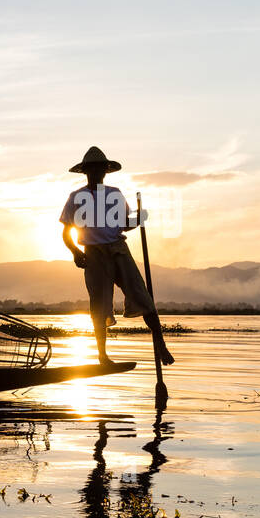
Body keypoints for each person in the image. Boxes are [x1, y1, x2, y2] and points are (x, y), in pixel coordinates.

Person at [60, 146, 174, 367]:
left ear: (105, 171)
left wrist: (139, 219)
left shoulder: (114, 194)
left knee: (142, 295)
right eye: (92, 170)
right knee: (99, 307)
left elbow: (123, 225)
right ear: (86, 172)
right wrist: (75, 252)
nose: (96, 173)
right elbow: (66, 232)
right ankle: (103, 356)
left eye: (100, 169)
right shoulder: (76, 197)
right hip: (93, 254)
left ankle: (160, 344)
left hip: (118, 250)